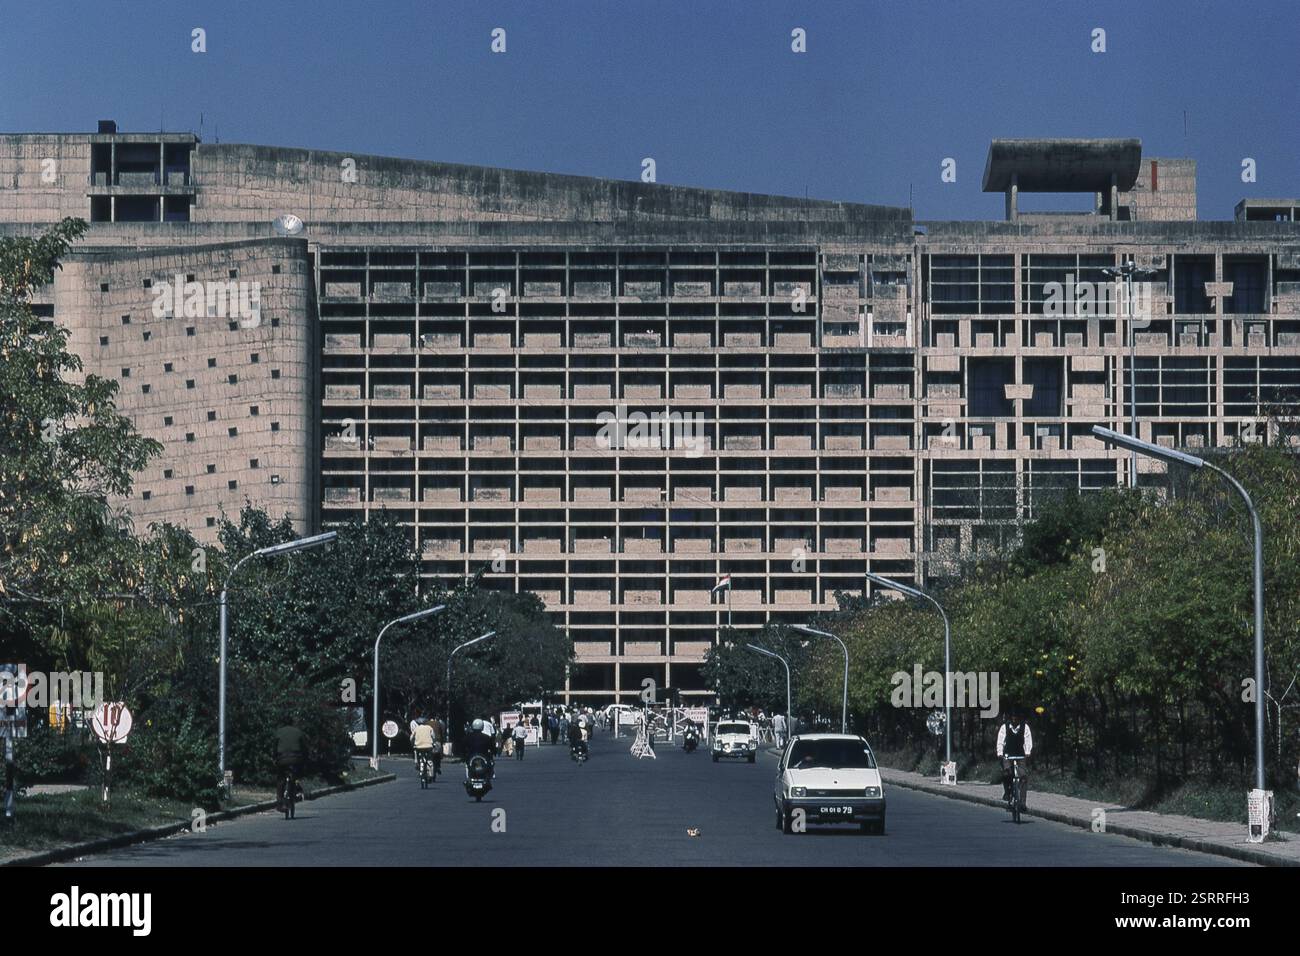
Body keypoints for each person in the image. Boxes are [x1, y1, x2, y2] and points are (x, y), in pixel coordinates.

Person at [996, 709, 1034, 805]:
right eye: (1013, 718)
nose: (1014, 720)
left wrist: (1027, 751)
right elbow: (1000, 741)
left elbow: (1028, 740)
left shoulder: (1025, 727)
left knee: (1023, 777)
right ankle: (1007, 792)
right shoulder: (1004, 727)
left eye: (1016, 718)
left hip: (1020, 755)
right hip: (1008, 755)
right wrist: (1000, 753)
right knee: (1007, 773)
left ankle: (1022, 802)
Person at [274, 723, 309, 810]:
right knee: (295, 774)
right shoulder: (298, 732)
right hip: (296, 759)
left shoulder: (279, 732)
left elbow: (274, 747)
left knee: (281, 779)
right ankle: (294, 790)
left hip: (282, 759)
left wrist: (274, 757)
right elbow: (304, 747)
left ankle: (280, 803)